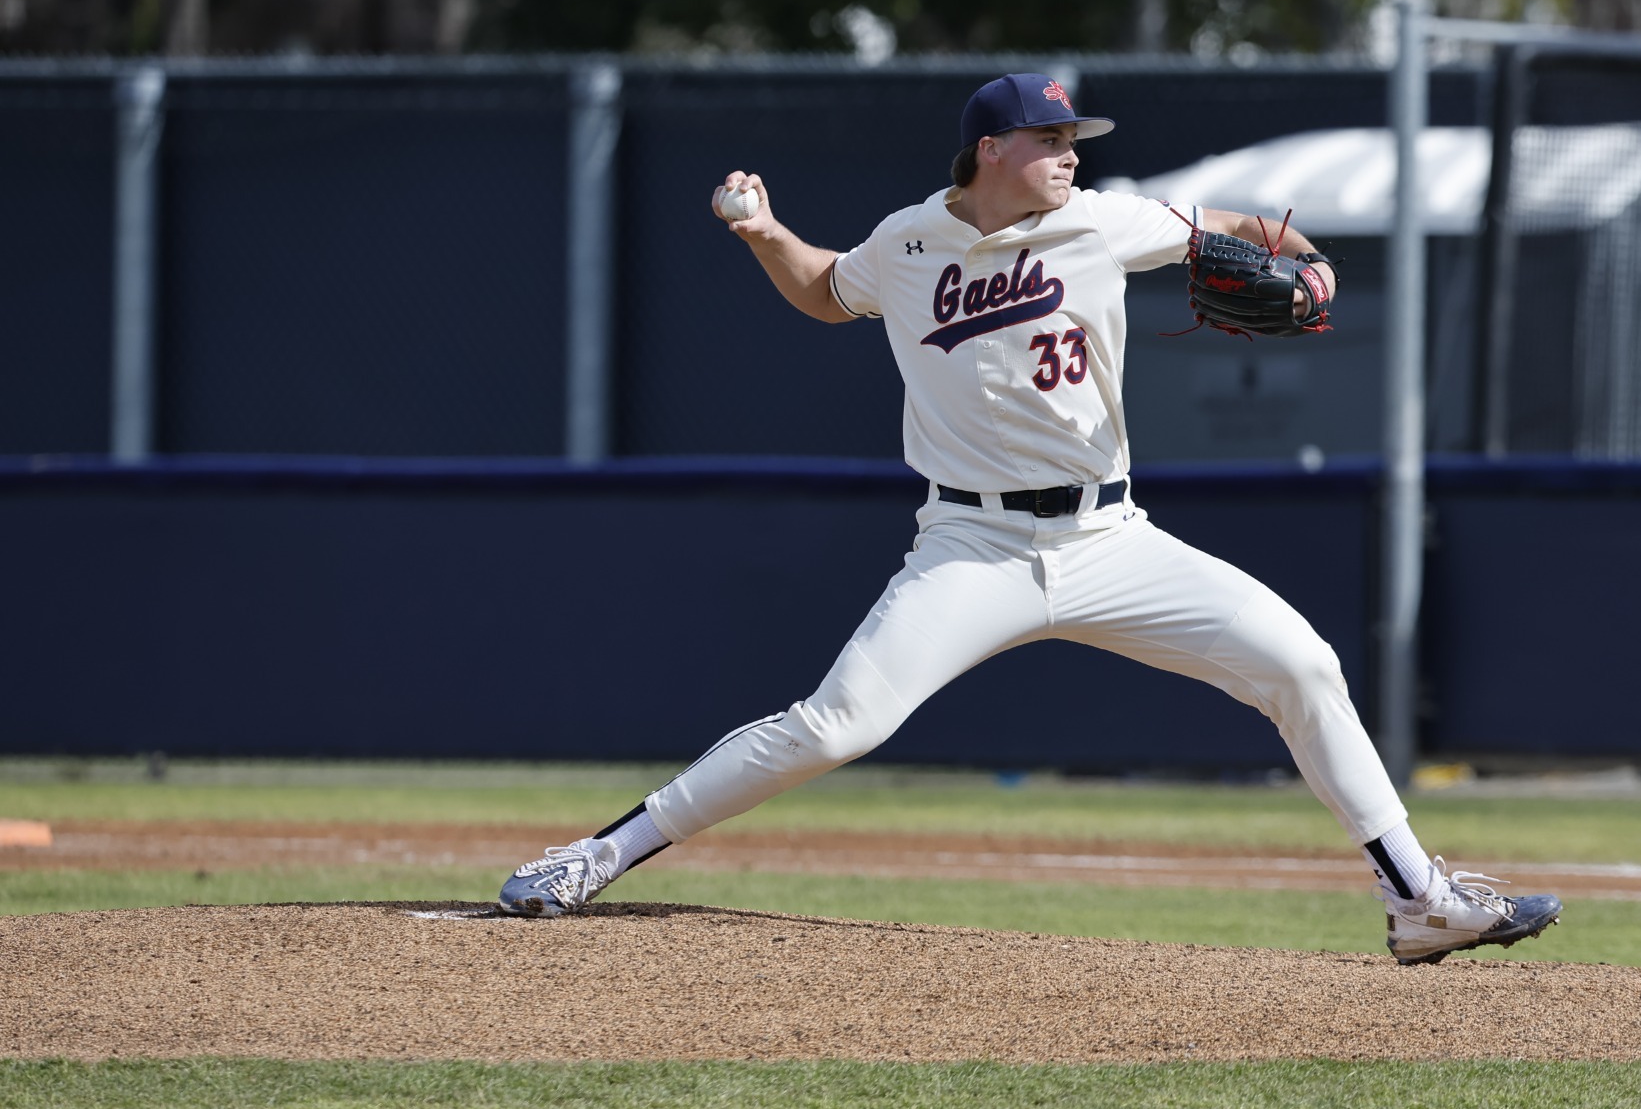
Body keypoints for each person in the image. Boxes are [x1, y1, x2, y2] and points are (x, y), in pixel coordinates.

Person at [497, 73, 1561, 965]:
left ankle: (1417, 900)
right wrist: (765, 232)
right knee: (836, 725)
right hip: (972, 544)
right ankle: (593, 856)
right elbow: (826, 290)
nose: (1070, 154)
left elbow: (1238, 228)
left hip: (1111, 538)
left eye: (1072, 139)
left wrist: (1309, 259)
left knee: (1302, 664)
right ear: (991, 150)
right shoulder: (909, 241)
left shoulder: (1106, 218)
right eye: (1051, 139)